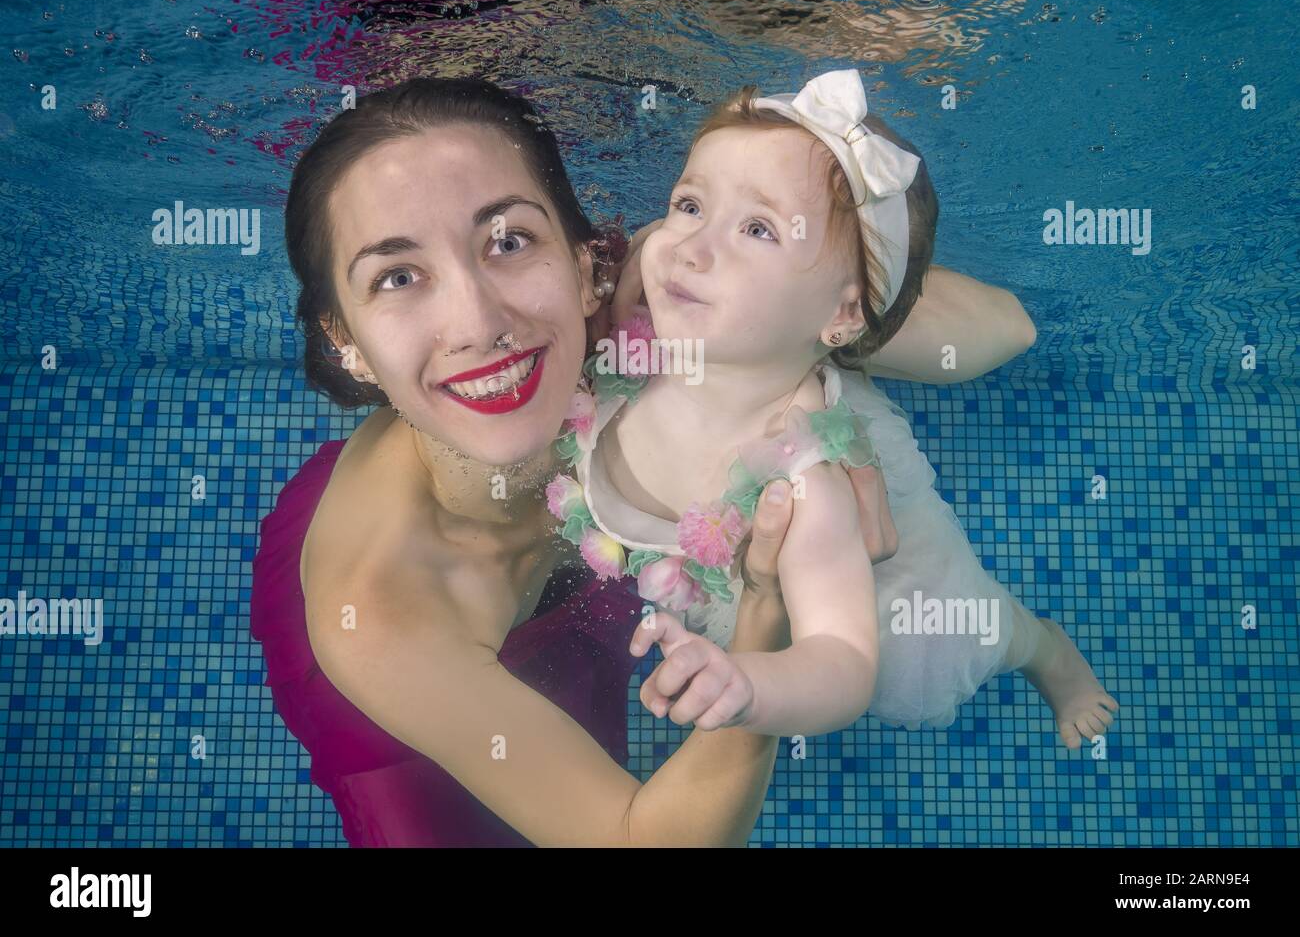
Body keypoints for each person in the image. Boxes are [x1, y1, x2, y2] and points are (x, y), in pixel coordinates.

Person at [250, 75, 1039, 847]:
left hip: (597, 568)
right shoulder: (381, 619)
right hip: (411, 706)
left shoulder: (642, 307)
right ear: (344, 341)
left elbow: (1007, 328)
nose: (479, 322)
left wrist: (799, 315)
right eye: (397, 277)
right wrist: (764, 611)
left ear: (586, 260)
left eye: (509, 241)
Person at [553, 69, 1118, 747]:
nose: (692, 249)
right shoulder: (639, 320)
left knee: (968, 636)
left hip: (890, 594)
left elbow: (845, 661)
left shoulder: (810, 488)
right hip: (749, 540)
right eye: (690, 204)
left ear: (843, 313)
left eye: (757, 229)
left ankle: (1047, 650)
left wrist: (754, 687)